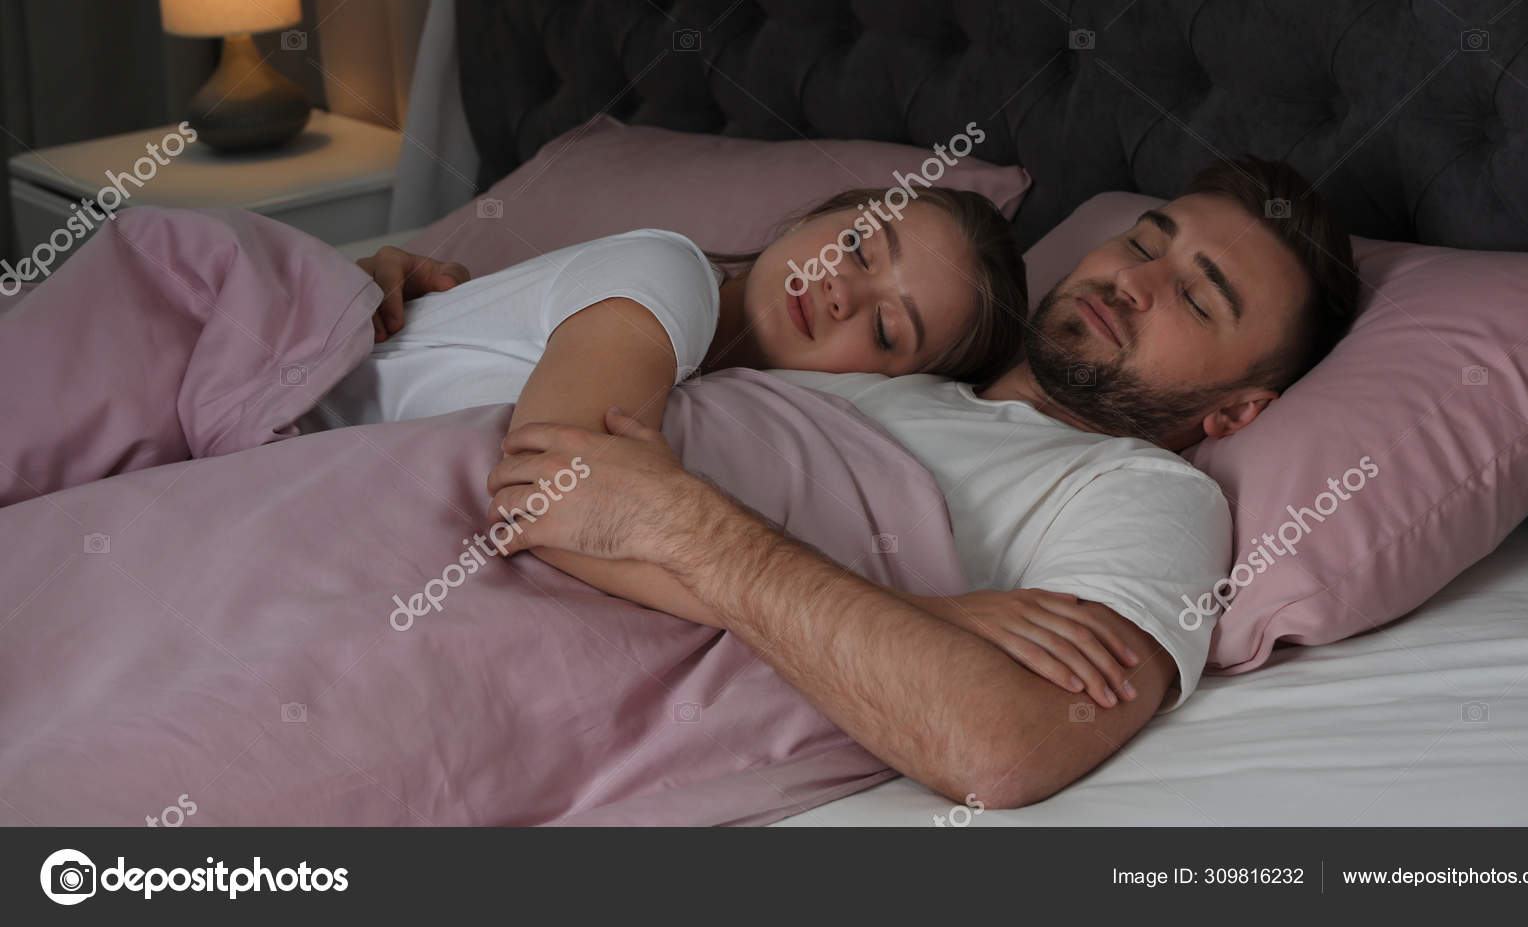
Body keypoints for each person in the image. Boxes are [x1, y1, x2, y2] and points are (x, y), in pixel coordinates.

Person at [466, 154, 1361, 809]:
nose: (1132, 279)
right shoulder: (877, 353)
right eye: (1142, 241)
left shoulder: (1149, 493)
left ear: (1236, 413)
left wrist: (688, 529)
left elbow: (1002, 745)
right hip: (460, 491)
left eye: (1197, 298)